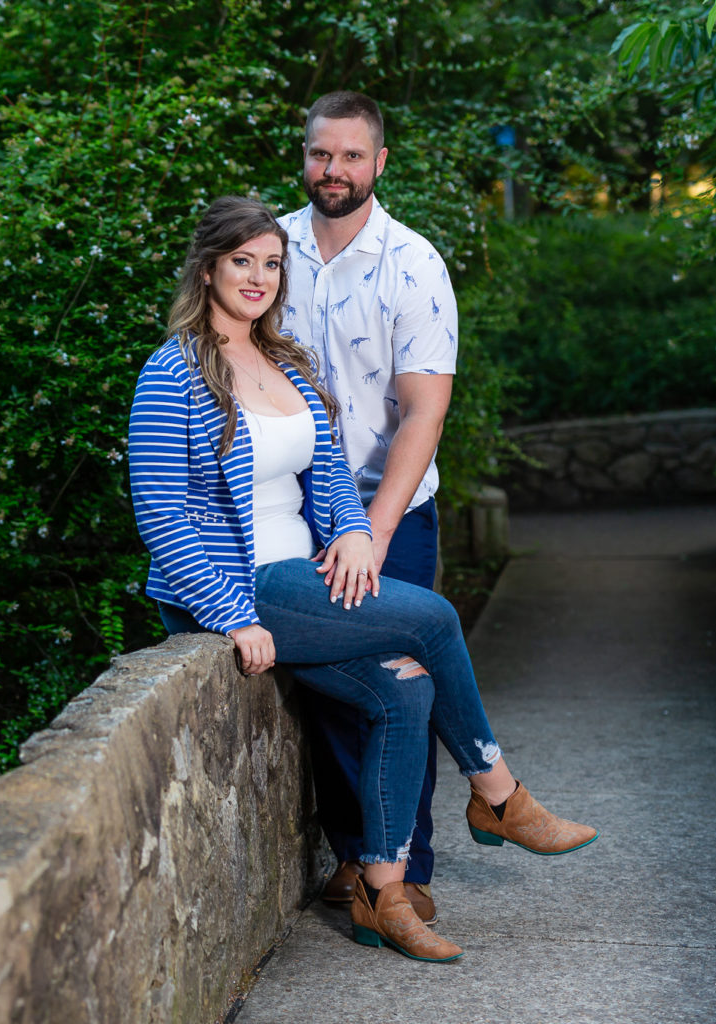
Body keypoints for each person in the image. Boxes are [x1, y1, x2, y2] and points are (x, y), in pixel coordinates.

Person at [127, 195, 596, 963]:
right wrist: (231, 614)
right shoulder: (171, 374)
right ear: (207, 268)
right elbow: (162, 517)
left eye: (271, 263)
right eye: (241, 262)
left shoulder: (284, 364)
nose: (258, 277)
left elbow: (335, 476)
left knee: (405, 688)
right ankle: (499, 794)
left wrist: (350, 530)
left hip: (302, 574)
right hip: (248, 586)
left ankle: (385, 892)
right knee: (434, 619)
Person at [277, 91, 457, 920]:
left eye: (352, 156)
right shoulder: (268, 251)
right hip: (293, 509)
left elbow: (422, 411)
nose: (334, 171)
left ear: (380, 163)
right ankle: (355, 861)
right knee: (328, 690)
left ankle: (408, 869)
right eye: (322, 154)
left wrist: (373, 534)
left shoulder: (413, 261)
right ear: (304, 155)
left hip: (393, 509)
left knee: (401, 684)